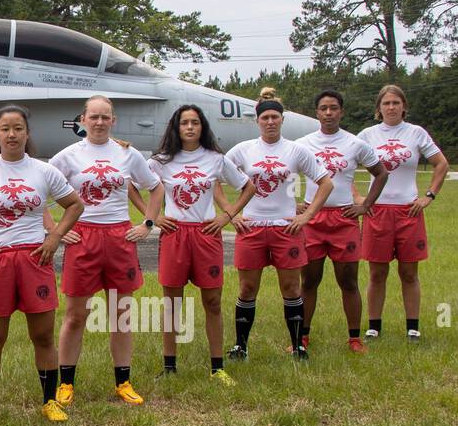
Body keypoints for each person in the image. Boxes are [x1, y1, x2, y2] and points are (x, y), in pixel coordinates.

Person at [0, 105, 82, 423]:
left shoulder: (43, 170)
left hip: (35, 259)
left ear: (27, 132)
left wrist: (54, 237)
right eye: (6, 128)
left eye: (18, 128)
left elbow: (75, 205)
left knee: (43, 336)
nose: (12, 134)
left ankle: (49, 401)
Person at [50, 95, 165, 406]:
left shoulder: (128, 154)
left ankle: (123, 381)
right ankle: (66, 383)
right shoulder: (69, 155)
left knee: (120, 315)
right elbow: (37, 187)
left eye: (105, 117)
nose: (99, 122)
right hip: (83, 235)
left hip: (119, 236)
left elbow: (156, 187)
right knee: (76, 316)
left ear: (113, 121)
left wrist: (148, 223)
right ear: (83, 121)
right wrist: (56, 229)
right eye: (94, 117)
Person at [148, 104, 256, 384]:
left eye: (195, 122)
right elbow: (136, 184)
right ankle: (169, 366)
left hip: (206, 233)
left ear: (202, 127)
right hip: (175, 234)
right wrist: (154, 217)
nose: (190, 127)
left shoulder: (215, 159)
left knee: (212, 301)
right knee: (172, 302)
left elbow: (248, 186)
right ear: (176, 127)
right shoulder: (161, 160)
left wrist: (227, 216)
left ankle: (217, 367)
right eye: (184, 123)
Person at [224, 100, 332, 362]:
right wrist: (232, 213)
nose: (270, 122)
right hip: (252, 227)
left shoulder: (296, 150)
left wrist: (307, 216)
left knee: (292, 287)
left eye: (275, 117)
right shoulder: (243, 150)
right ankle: (241, 346)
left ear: (282, 119)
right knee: (247, 288)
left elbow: (326, 183)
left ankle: (298, 347)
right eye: (265, 118)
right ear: (257, 121)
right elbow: (215, 177)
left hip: (286, 228)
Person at [295, 90, 388, 352]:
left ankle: (354, 338)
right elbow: (280, 173)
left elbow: (381, 173)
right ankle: (302, 337)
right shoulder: (303, 143)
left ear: (341, 112)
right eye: (323, 108)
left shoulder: (354, 144)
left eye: (333, 108)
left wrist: (366, 205)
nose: (328, 113)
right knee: (309, 281)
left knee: (348, 281)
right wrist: (295, 204)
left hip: (344, 218)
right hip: (313, 219)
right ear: (316, 112)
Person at [356, 85, 449, 342]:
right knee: (377, 273)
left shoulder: (416, 133)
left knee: (409, 273)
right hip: (378, 211)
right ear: (379, 108)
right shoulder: (367, 135)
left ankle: (413, 327)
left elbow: (441, 164)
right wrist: (359, 198)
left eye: (396, 102)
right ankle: (374, 326)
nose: (391, 107)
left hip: (409, 210)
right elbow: (343, 166)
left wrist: (428, 196)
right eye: (386, 103)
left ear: (404, 106)